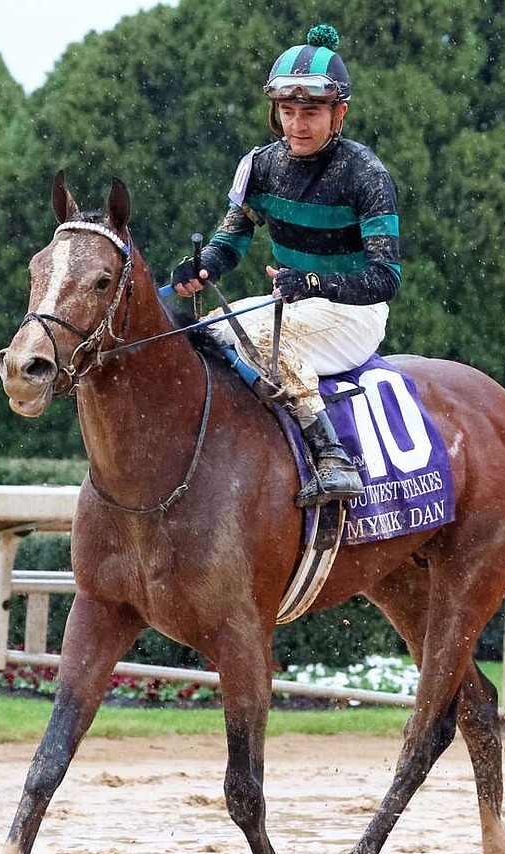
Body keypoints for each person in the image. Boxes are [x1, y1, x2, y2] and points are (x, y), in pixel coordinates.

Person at [172, 24, 401, 508]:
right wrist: (199, 266)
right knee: (210, 330)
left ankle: (332, 459)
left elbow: (386, 279)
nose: (298, 124)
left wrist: (314, 281)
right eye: (288, 111)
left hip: (354, 315)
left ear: (339, 113)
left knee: (260, 338)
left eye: (311, 112)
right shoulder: (260, 166)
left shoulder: (368, 176)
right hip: (290, 302)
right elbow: (228, 242)